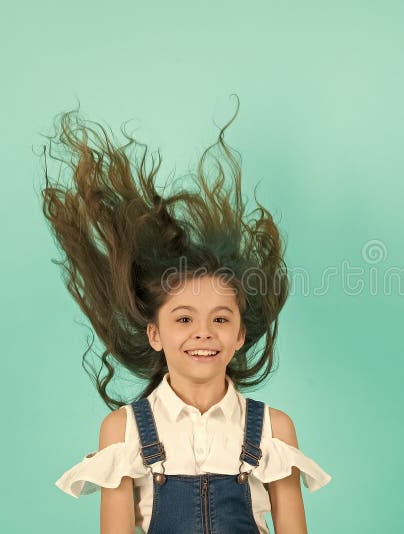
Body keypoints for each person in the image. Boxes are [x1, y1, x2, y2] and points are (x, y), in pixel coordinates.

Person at [42, 96, 332, 533]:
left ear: (240, 334)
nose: (204, 334)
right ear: (154, 333)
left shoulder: (274, 428)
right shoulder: (123, 431)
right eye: (183, 319)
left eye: (220, 319)